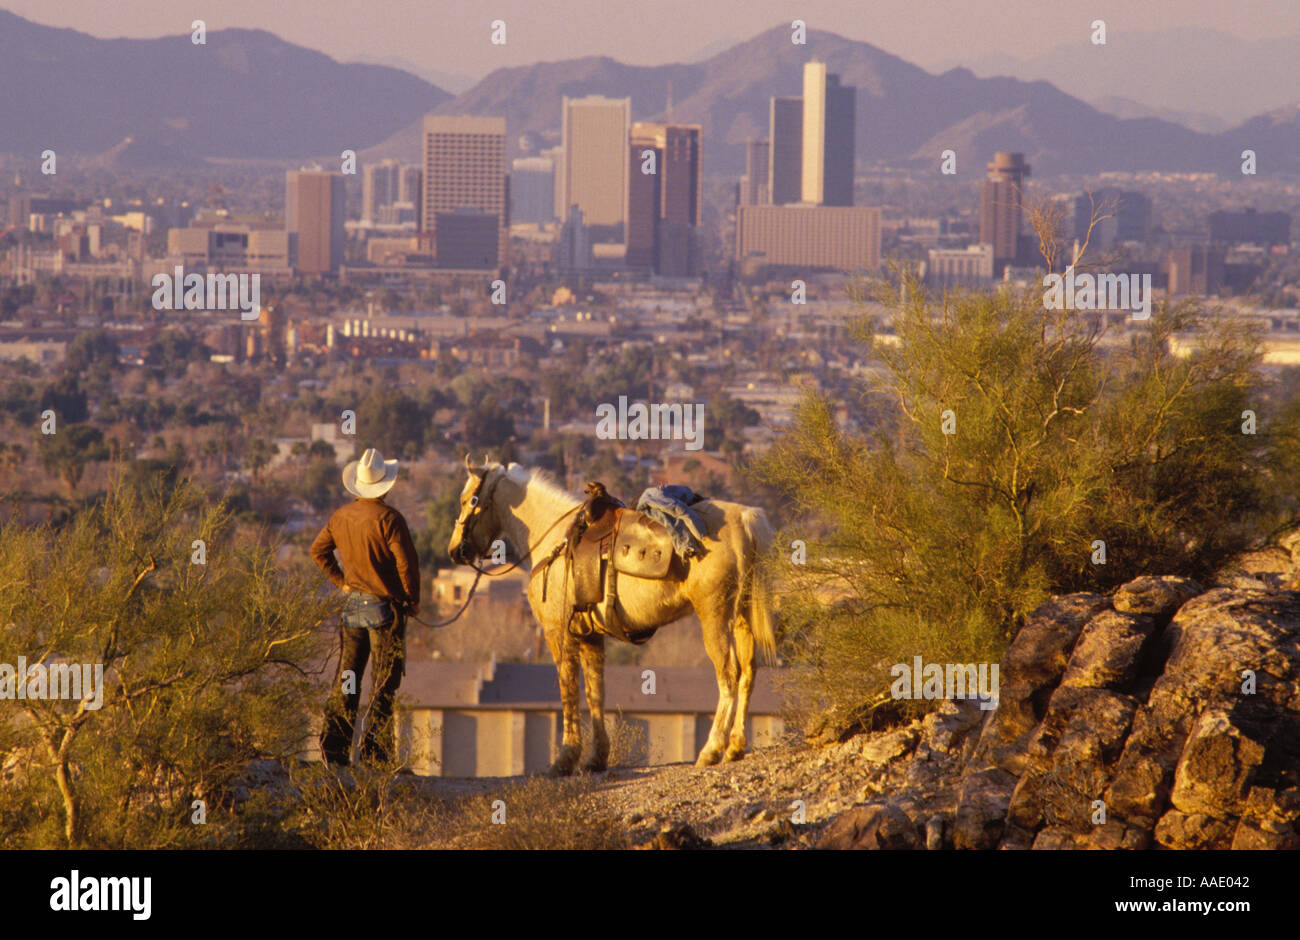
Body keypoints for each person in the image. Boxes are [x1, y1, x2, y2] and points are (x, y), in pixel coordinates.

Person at [309, 447, 420, 768]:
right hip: (385, 611)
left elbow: (318, 552)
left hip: (352, 608)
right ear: (384, 485)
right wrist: (412, 599)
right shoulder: (390, 519)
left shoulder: (341, 517)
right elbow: (406, 566)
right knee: (384, 685)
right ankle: (376, 757)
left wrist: (341, 581)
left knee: (347, 679)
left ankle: (335, 751)